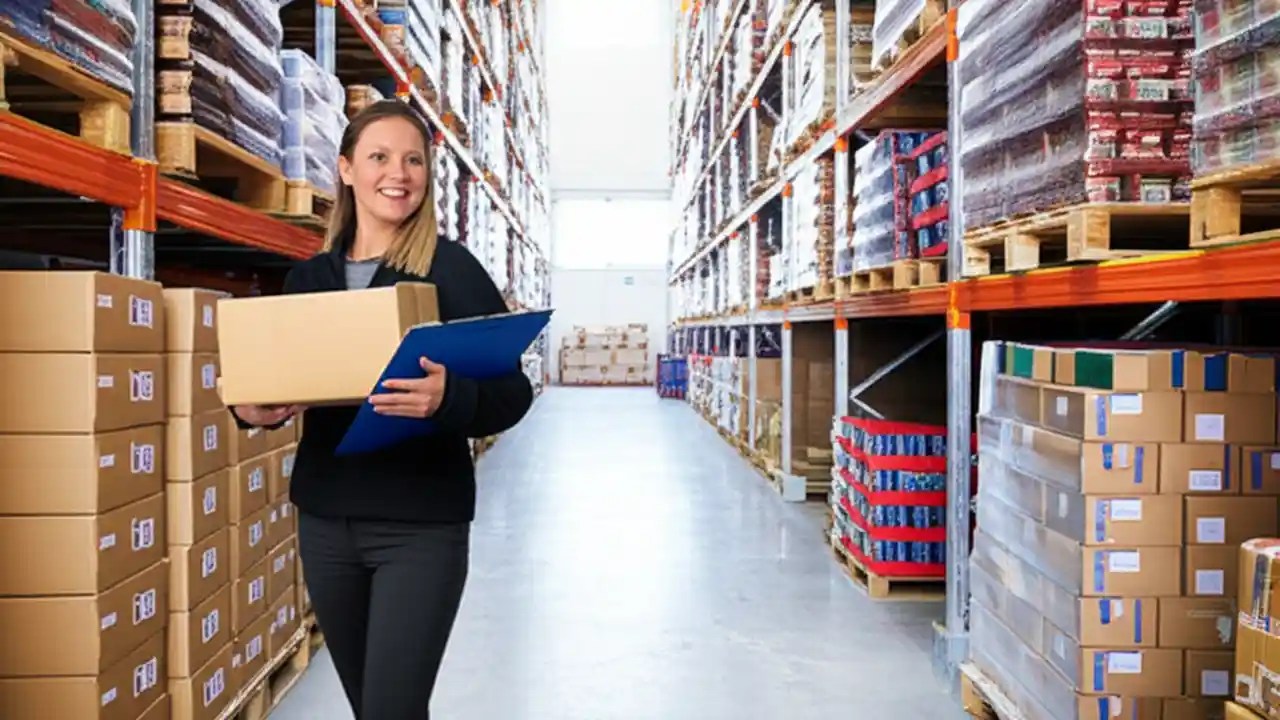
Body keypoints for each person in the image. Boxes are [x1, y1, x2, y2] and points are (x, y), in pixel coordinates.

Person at [231, 99, 534, 719]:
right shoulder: (307, 281)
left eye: (413, 160)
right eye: (379, 157)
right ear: (345, 169)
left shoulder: (449, 269)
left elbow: (512, 393)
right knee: (373, 707)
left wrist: (451, 397)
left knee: (392, 710)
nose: (398, 173)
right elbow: (271, 384)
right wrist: (253, 410)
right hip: (326, 521)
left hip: (419, 526)